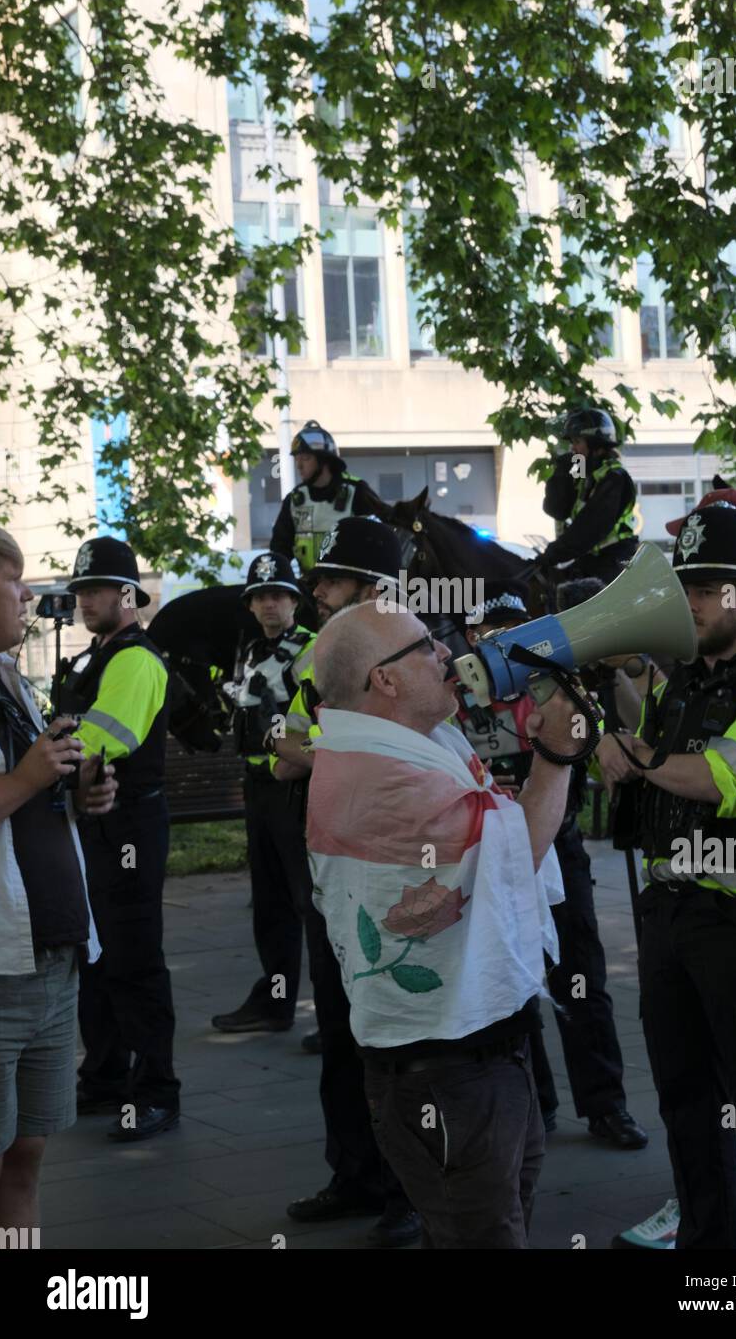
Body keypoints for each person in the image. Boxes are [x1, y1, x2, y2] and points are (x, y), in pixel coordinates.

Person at [307, 599, 588, 1248]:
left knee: (490, 1218)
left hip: (471, 1052)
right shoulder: (385, 777)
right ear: (387, 679)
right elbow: (514, 852)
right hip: (447, 1070)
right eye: (426, 647)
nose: (446, 654)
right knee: (484, 1230)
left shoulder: (404, 747)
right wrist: (556, 756)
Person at [598, 505, 736, 1249]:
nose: (689, 600)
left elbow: (726, 780)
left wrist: (643, 761)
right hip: (671, 917)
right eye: (686, 584)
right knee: (685, 1104)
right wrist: (617, 730)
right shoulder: (681, 682)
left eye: (709, 588)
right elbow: (655, 763)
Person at [269, 518, 422, 1247]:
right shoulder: (318, 658)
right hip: (329, 870)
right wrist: (333, 743)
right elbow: (281, 756)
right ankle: (355, 1176)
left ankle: (411, 1193)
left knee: (393, 1038)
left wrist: (319, 744)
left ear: (371, 586)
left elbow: (412, 745)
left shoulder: (417, 655)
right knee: (339, 1031)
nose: (317, 592)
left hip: (390, 870)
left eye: (330, 580)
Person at [456, 578, 648, 1150]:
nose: (505, 643)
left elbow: (595, 745)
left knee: (581, 974)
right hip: (487, 853)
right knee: (512, 978)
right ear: (471, 638)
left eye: (515, 631)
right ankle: (536, 1103)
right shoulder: (455, 698)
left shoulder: (552, 684)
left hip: (557, 847)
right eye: (492, 634)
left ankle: (606, 1104)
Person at [0, 528, 116, 1230]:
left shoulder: (11, 678)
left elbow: (29, 794)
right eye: (14, 584)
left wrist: (76, 792)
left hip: (53, 955)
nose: (29, 596)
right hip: (2, 969)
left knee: (27, 1154)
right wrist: (27, 777)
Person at [59, 537, 179, 1143]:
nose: (85, 599)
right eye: (80, 589)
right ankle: (106, 1076)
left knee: (133, 958)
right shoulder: (90, 658)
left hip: (125, 822)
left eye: (96, 588)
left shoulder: (134, 659)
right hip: (95, 822)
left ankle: (155, 1089)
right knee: (98, 956)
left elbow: (100, 742)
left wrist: (53, 758)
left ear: (127, 595)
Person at [211, 552, 315, 1034]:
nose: (270, 604)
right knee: (270, 902)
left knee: (310, 901)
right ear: (250, 606)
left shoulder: (313, 648)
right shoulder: (248, 651)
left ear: (294, 601)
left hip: (295, 786)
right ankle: (275, 1003)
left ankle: (337, 1010)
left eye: (278, 595)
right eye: (260, 597)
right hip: (256, 785)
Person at [536, 405, 638, 588]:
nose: (572, 448)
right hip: (591, 561)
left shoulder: (614, 478)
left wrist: (552, 553)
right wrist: (562, 471)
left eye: (577, 442)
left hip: (616, 562)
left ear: (595, 444)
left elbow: (589, 528)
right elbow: (557, 509)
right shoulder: (584, 474)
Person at [270, 421, 392, 573]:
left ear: (324, 460)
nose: (299, 465)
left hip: (349, 586)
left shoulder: (356, 492)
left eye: (306, 458)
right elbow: (279, 550)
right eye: (297, 459)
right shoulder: (294, 500)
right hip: (309, 586)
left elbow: (382, 536)